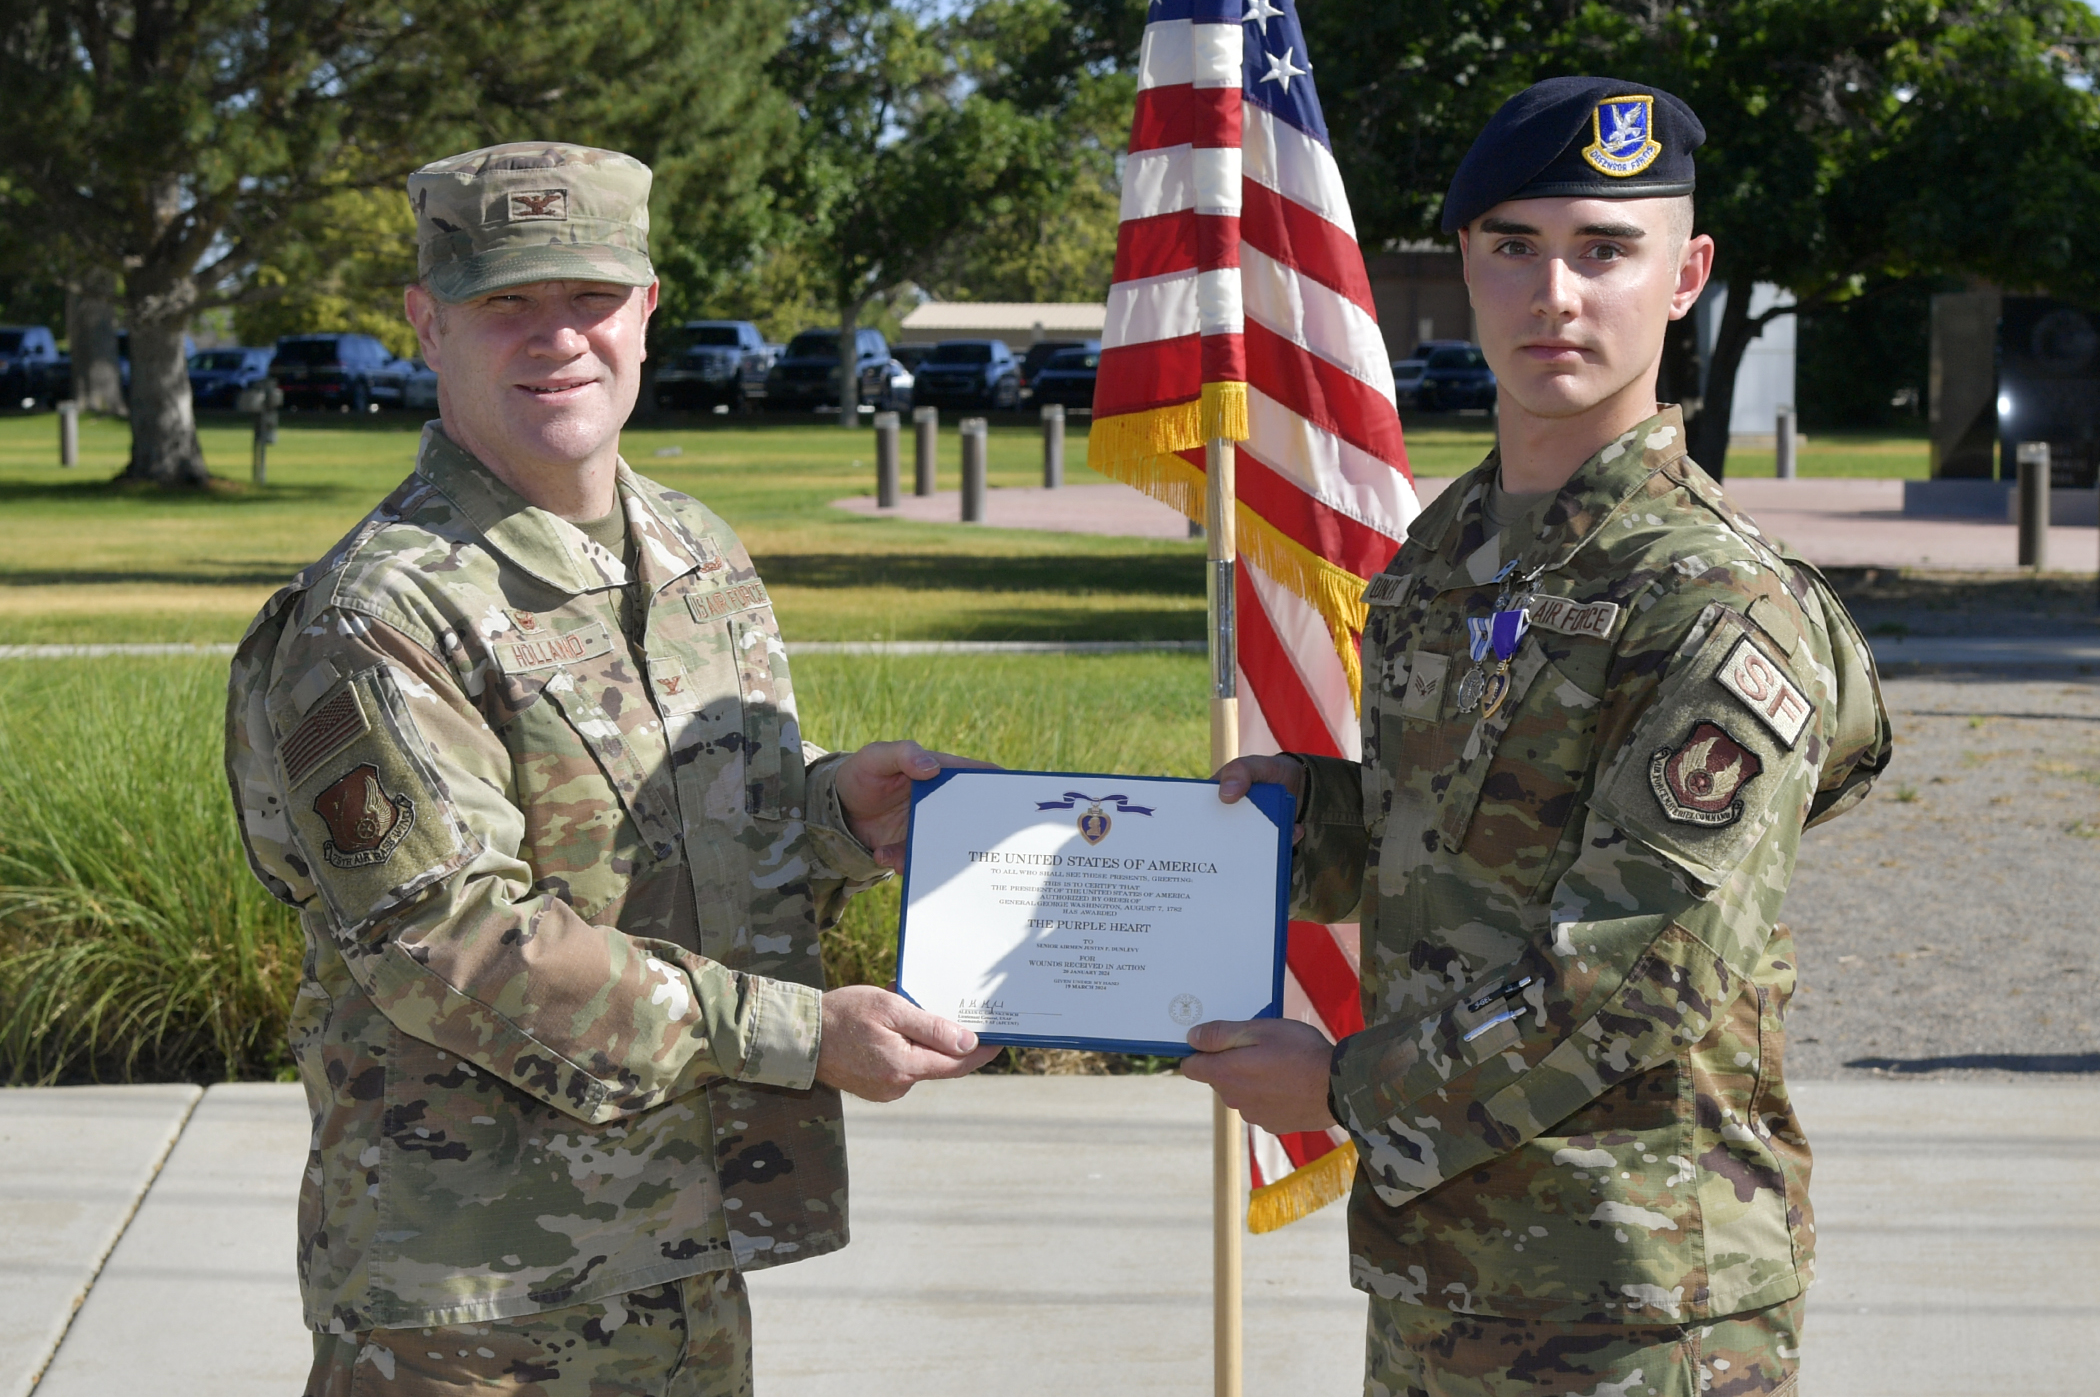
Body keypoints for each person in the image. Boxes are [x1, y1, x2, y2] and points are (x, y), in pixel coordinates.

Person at [224, 141, 999, 1397]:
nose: (557, 338)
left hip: (682, 1260)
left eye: (589, 298)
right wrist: (805, 1035)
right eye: (505, 304)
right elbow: (454, 941)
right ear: (428, 324)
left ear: (645, 310)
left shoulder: (694, 553)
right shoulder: (379, 616)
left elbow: (687, 832)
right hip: (473, 1305)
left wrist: (836, 815)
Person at [1184, 79, 1891, 1395]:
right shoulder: (1448, 554)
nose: (1553, 293)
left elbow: (1635, 973)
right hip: (1447, 1268)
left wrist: (1342, 1092)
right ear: (1463, 265)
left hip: (1632, 1294)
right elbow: (1453, 846)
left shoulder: (1717, 607)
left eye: (1603, 250)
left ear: (1686, 277)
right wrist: (1289, 825)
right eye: (1512, 246)